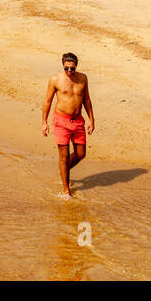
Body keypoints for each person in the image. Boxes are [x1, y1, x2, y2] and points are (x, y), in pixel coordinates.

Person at [41, 52, 94, 198]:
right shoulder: (55, 80)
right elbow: (47, 101)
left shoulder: (83, 79)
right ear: (62, 66)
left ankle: (64, 170)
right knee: (63, 157)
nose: (69, 71)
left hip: (77, 121)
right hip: (61, 121)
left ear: (76, 65)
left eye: (72, 68)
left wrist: (91, 120)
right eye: (66, 68)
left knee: (81, 154)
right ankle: (66, 191)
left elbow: (87, 100)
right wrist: (44, 122)